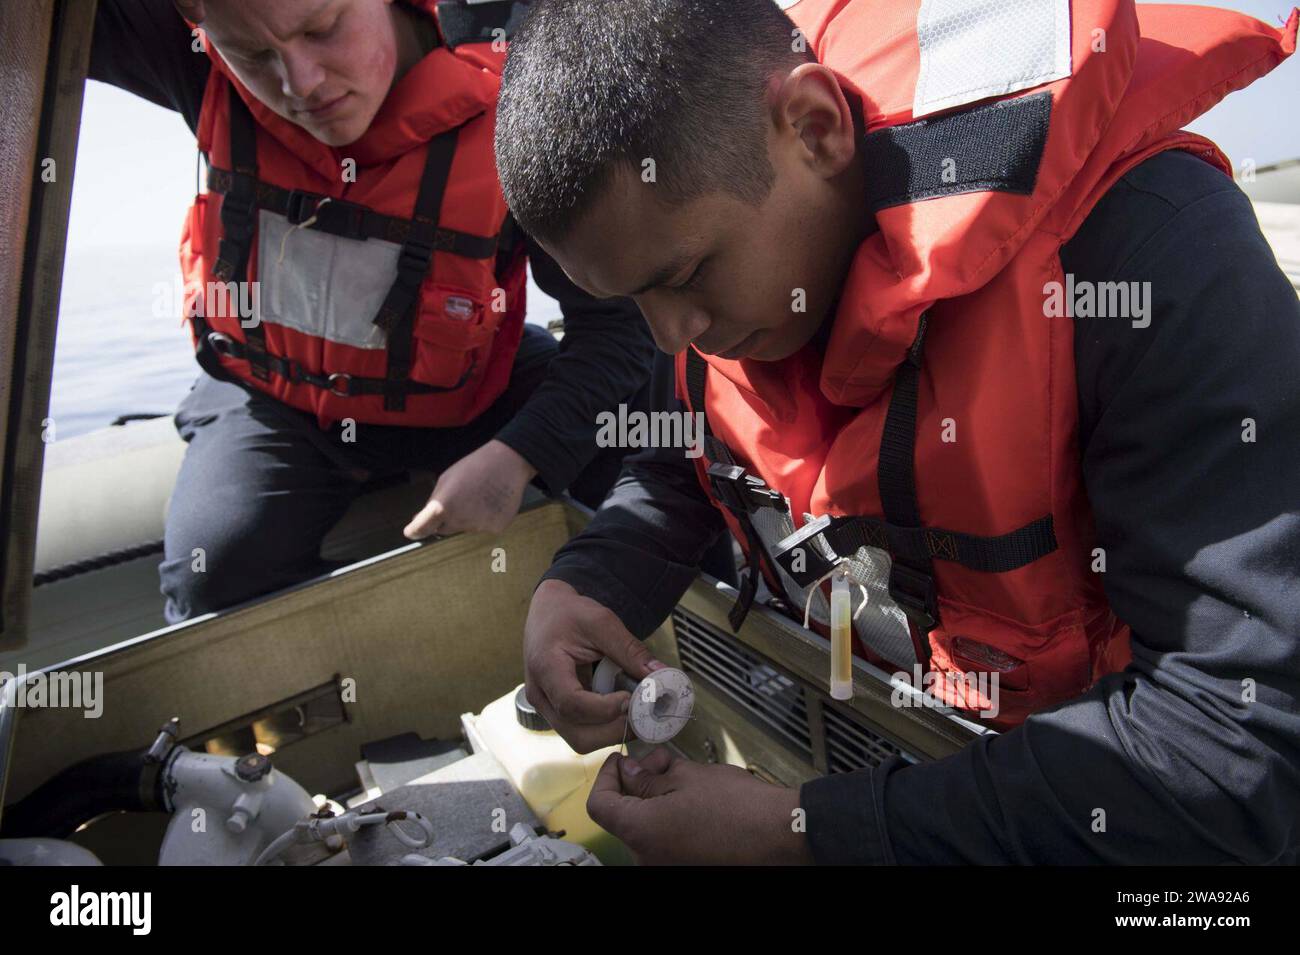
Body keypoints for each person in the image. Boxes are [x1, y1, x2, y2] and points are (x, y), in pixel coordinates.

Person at [498, 0, 1300, 864]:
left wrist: (804, 834)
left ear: (812, 129)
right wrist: (586, 582)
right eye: (629, 300)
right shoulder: (709, 281)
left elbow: (1237, 748)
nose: (669, 335)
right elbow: (678, 465)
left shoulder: (1145, 253)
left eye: (685, 275)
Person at [88, 0, 654, 623]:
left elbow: (617, 329)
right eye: (253, 56)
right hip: (275, 401)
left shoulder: (526, 93)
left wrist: (519, 455)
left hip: (472, 394)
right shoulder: (193, 59)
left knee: (652, 431)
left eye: (321, 28)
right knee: (214, 573)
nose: (301, 83)